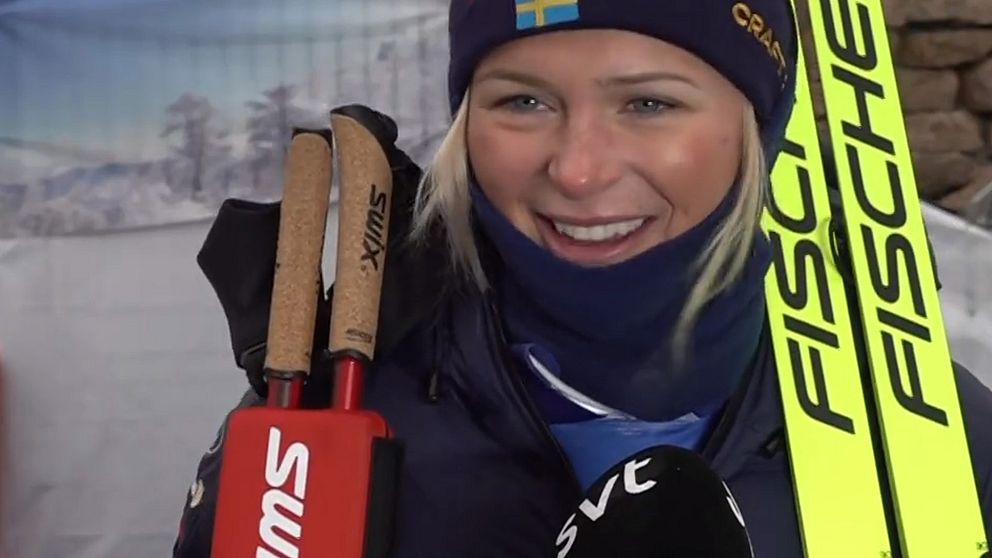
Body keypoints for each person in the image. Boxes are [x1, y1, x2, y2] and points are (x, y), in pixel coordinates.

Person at [172, 0, 992, 556]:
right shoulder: (312, 434)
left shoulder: (932, 435)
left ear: (756, 129)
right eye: (523, 102)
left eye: (649, 105)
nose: (579, 170)